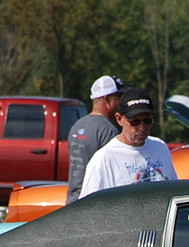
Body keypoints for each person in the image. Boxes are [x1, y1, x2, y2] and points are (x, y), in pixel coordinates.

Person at [79, 88, 179, 197]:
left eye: (147, 121)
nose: (142, 127)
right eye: (135, 122)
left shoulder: (160, 147)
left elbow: (173, 191)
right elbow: (88, 207)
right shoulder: (104, 159)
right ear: (119, 119)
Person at [65, 75, 123, 204]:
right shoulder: (108, 130)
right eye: (118, 98)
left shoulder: (77, 126)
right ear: (107, 99)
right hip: (93, 203)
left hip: (72, 201)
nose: (121, 103)